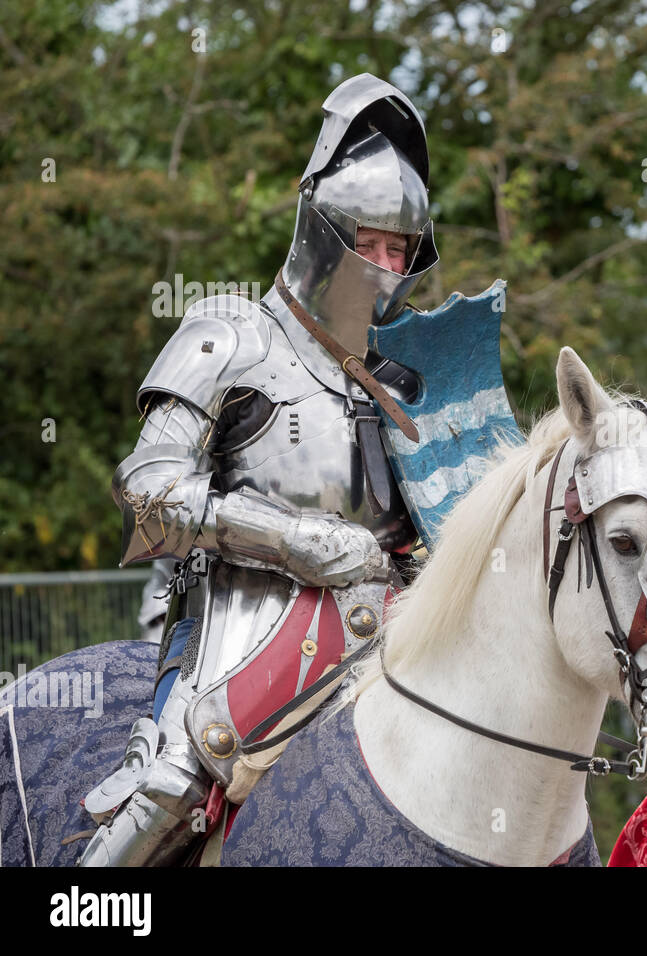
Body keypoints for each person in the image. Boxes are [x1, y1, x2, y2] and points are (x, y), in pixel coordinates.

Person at [79, 73, 438, 866]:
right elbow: (147, 486)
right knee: (168, 789)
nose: (385, 264)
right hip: (246, 623)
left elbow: (439, 517)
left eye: (399, 248)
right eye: (369, 241)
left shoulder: (409, 378)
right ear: (324, 232)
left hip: (393, 627)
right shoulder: (234, 335)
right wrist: (292, 536)